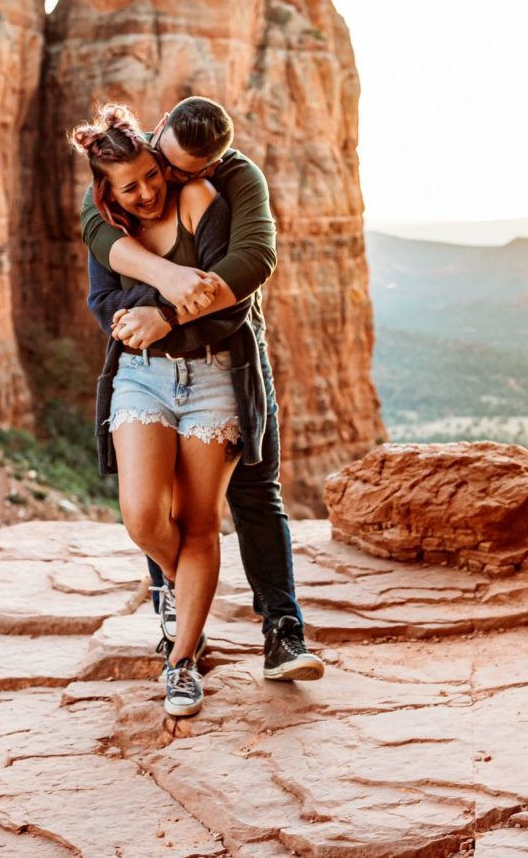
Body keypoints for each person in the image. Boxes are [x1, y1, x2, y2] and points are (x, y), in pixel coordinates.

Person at [79, 95, 324, 684]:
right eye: (171, 166)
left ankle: (282, 631)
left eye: (190, 172)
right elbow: (95, 230)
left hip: (230, 357)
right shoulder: (134, 167)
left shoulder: (231, 178)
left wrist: (166, 313)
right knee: (155, 499)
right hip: (151, 373)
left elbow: (254, 260)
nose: (171, 182)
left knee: (256, 491)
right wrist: (165, 281)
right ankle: (177, 599)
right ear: (156, 132)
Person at [73, 103, 254, 716]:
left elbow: (228, 301)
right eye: (132, 186)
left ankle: (182, 661)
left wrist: (161, 314)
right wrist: (166, 293)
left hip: (211, 376)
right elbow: (105, 305)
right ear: (108, 190)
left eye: (154, 175)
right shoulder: (107, 228)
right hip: (142, 380)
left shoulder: (201, 199)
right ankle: (186, 590)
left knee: (200, 521)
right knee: (143, 517)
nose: (149, 191)